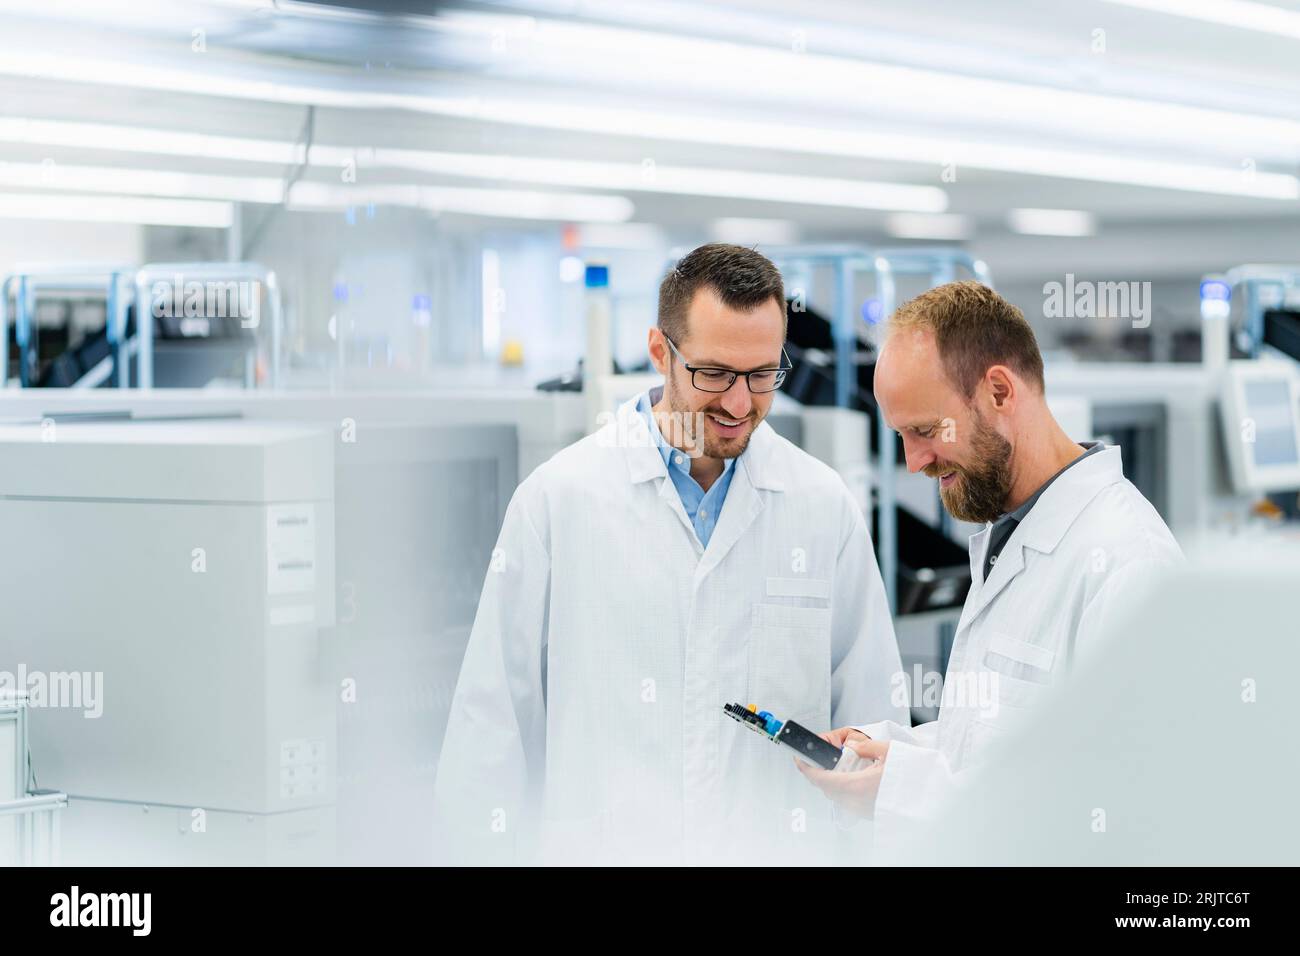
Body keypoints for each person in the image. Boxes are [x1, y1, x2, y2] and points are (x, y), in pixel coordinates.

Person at [434, 243, 906, 864]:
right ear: (661, 352)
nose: (740, 404)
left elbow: (873, 725)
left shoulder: (822, 506)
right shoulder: (559, 500)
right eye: (713, 374)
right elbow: (488, 731)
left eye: (763, 374)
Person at [798, 280, 1183, 847]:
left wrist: (909, 792)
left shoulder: (1129, 564)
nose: (913, 462)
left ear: (1000, 391)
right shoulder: (1010, 536)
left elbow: (1129, 808)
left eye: (925, 431)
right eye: (902, 436)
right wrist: (892, 755)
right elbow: (996, 746)